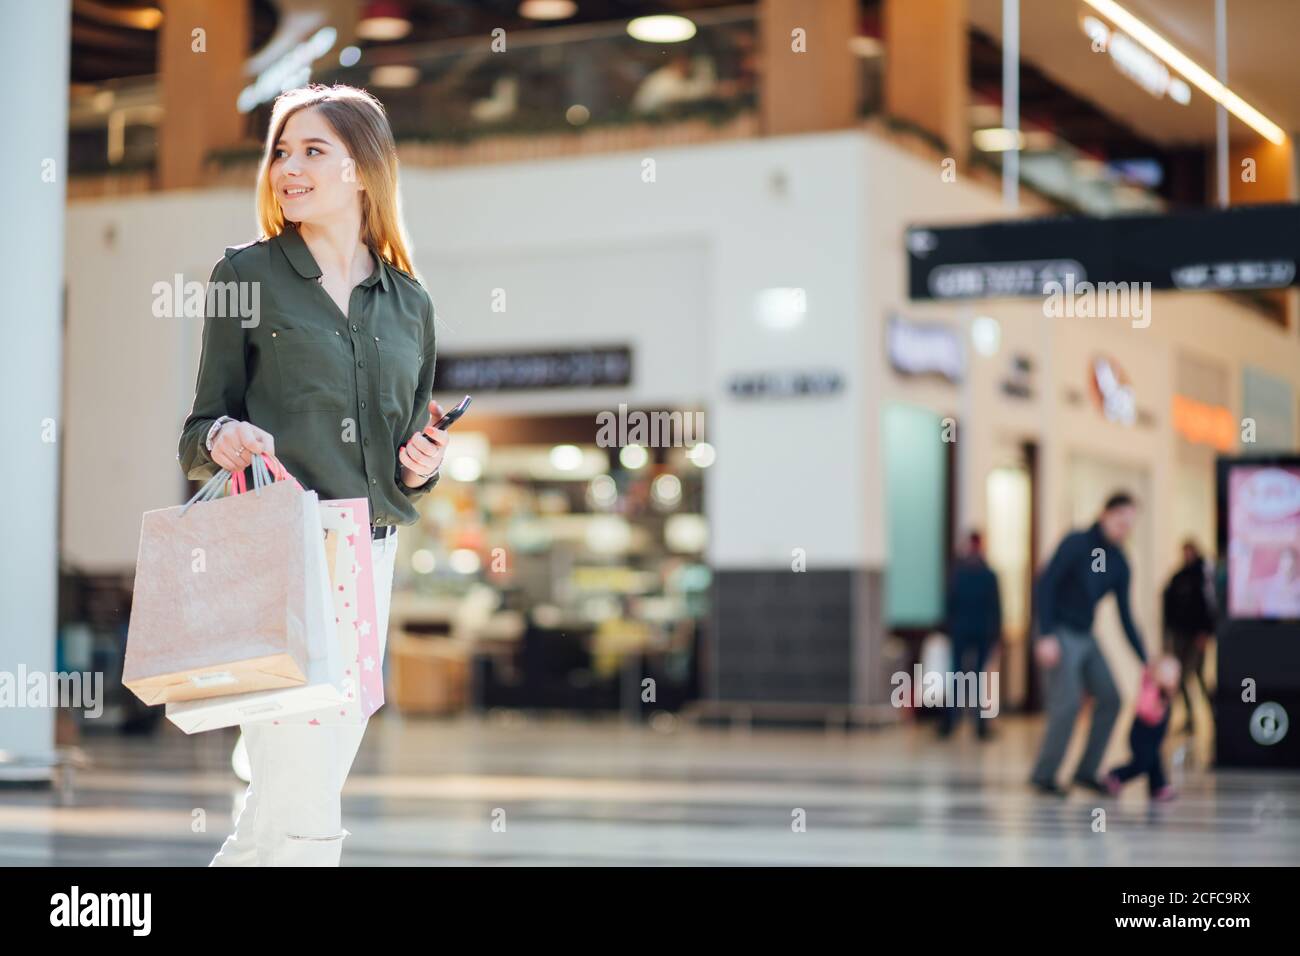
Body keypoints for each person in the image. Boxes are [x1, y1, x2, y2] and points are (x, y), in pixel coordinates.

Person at [177, 84, 450, 866]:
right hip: (283, 552)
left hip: (373, 551)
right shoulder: (246, 275)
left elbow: (406, 454)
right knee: (304, 793)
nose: (287, 168)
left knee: (292, 788)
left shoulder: (410, 302)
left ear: (363, 168)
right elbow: (198, 432)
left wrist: (420, 464)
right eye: (281, 152)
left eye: (312, 151)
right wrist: (225, 435)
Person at [1030, 492, 1148, 796]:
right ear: (1105, 514)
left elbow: (1125, 616)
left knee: (1111, 697)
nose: (1124, 529)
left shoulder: (1120, 562)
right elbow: (1046, 585)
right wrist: (1045, 634)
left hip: (1085, 633)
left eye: (1129, 525)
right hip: (1058, 630)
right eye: (1121, 521)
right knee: (1067, 703)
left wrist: (1146, 660)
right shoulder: (1076, 543)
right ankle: (1044, 775)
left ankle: (1086, 771)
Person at [939, 531, 1001, 739]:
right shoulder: (980, 574)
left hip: (969, 630)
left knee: (966, 676)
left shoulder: (963, 573)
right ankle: (969, 723)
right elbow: (994, 607)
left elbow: (950, 604)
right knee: (969, 677)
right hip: (972, 630)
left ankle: (957, 722)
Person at [1106, 655, 1181, 802]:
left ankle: (1158, 786)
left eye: (1176, 675)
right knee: (1143, 763)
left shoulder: (1167, 695)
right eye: (1169, 675)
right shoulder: (1151, 689)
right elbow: (1146, 711)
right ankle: (1116, 776)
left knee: (1155, 761)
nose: (1173, 679)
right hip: (1141, 736)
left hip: (1154, 738)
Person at [1161, 540, 1215, 735]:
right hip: (1180, 634)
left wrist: (1206, 632)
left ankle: (1214, 714)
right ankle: (1190, 718)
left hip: (1196, 636)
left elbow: (1209, 607)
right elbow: (1168, 605)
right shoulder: (1178, 577)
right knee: (1183, 678)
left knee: (1197, 677)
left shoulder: (1204, 577)